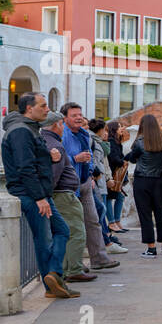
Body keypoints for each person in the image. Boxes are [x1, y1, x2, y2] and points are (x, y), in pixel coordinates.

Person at [1, 92, 76, 299]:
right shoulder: (21, 131)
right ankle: (52, 283)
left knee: (61, 230)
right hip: (31, 194)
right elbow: (25, 167)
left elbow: (32, 158)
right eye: (43, 106)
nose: (47, 110)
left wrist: (48, 156)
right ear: (29, 108)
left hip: (39, 193)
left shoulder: (29, 129)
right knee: (44, 240)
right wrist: (39, 198)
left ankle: (53, 276)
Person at [61, 103, 119, 273]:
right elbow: (59, 160)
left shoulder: (84, 134)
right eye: (74, 115)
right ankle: (75, 264)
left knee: (93, 221)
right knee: (74, 226)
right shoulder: (63, 135)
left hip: (85, 182)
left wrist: (91, 172)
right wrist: (75, 159)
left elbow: (91, 156)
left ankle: (99, 259)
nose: (79, 117)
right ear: (65, 119)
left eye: (80, 114)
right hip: (69, 185)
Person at [41, 111, 94, 283]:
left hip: (60, 194)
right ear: (57, 125)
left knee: (65, 232)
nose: (63, 127)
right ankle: (74, 269)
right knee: (76, 232)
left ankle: (65, 268)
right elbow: (54, 175)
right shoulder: (55, 144)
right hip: (63, 195)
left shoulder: (47, 141)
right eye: (62, 124)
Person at [125, 113, 162, 257]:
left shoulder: (140, 142)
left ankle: (151, 248)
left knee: (145, 214)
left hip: (143, 181)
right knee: (160, 212)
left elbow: (132, 159)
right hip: (160, 181)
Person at [89, 118, 127, 255]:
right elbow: (96, 162)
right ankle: (107, 238)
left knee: (102, 209)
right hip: (99, 182)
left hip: (103, 181)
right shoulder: (93, 141)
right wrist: (101, 176)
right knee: (101, 211)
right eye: (119, 127)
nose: (122, 129)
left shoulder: (102, 143)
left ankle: (107, 238)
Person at [104, 121, 129, 235]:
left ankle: (116, 222)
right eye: (119, 127)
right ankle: (112, 223)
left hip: (116, 175)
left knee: (119, 197)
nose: (122, 128)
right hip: (111, 175)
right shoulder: (111, 142)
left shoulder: (117, 142)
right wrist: (122, 162)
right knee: (110, 198)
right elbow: (113, 158)